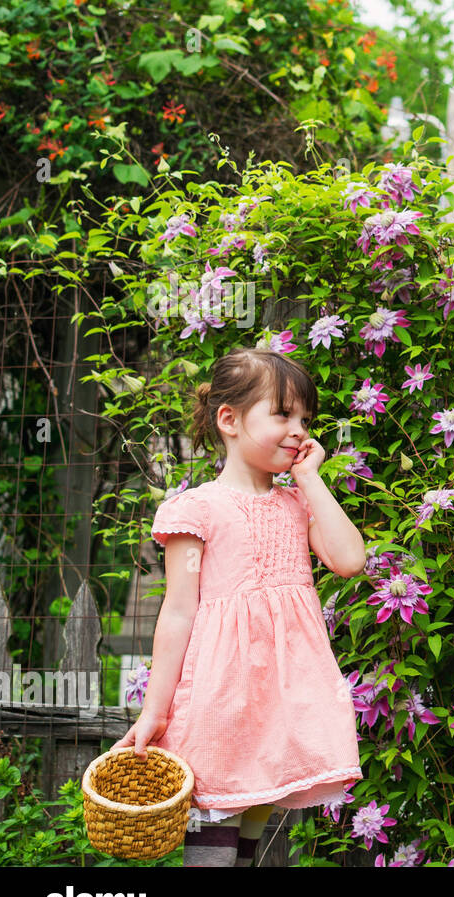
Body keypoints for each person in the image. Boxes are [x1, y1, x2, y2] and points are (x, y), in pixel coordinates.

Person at [113, 347, 367, 866]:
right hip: (221, 699)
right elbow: (179, 612)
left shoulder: (298, 504)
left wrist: (312, 480)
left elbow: (350, 560)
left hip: (280, 700)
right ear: (228, 419)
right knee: (214, 838)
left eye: (305, 419)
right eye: (282, 414)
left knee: (249, 843)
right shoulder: (198, 509)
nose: (298, 430)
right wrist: (155, 711)